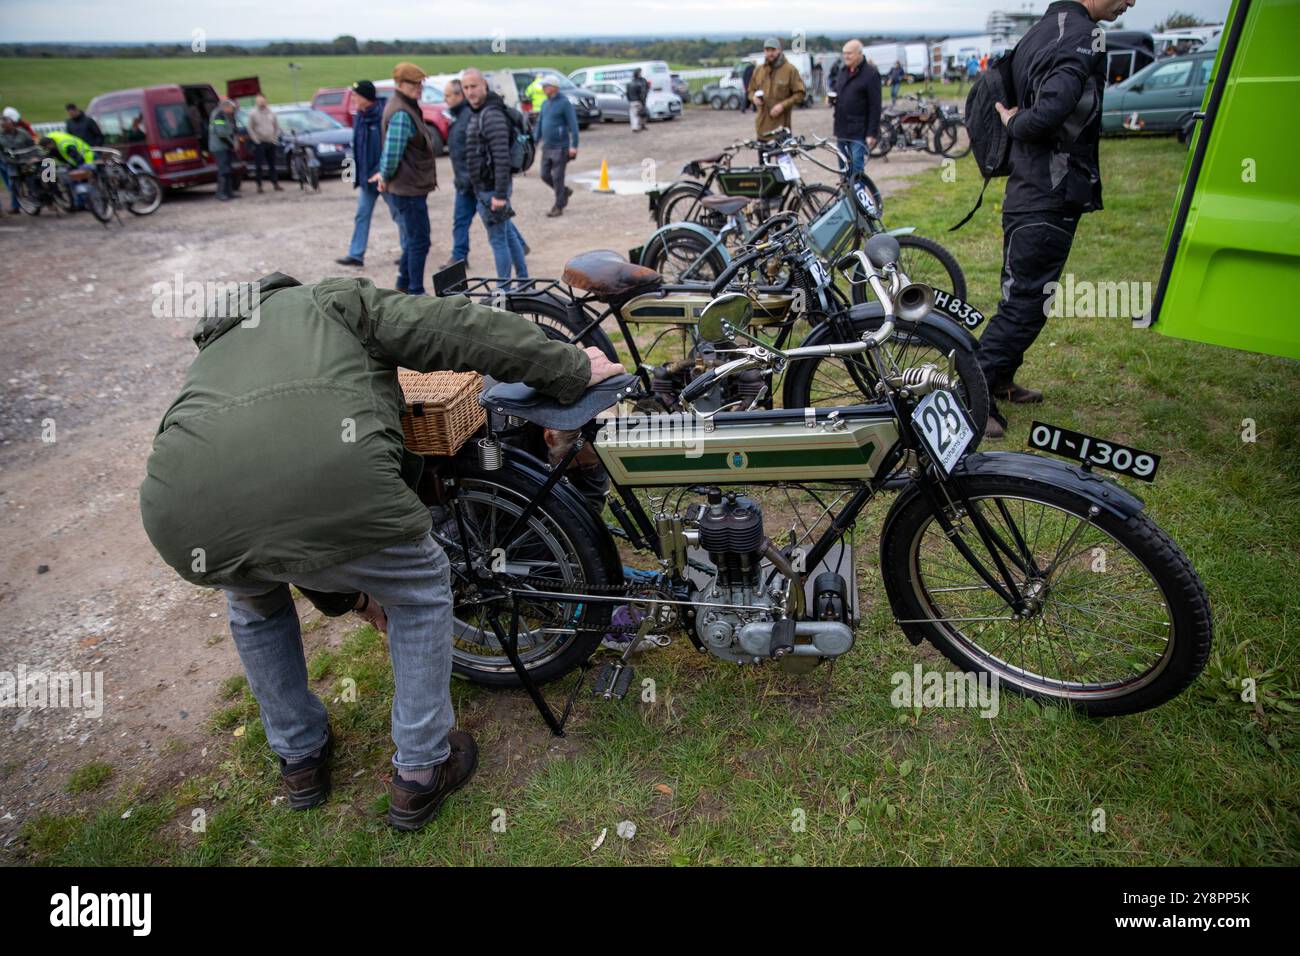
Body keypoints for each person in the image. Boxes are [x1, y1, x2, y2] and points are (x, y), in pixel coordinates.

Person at [139, 274, 625, 831]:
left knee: (254, 603)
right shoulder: (331, 302)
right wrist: (569, 367)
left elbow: (278, 516)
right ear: (285, 288)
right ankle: (420, 771)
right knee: (419, 594)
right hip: (330, 482)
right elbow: (454, 328)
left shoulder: (218, 347)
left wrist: (348, 595)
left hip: (187, 511)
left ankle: (300, 759)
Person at [978, 0, 1130, 439]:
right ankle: (974, 392)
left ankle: (1000, 379)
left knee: (1026, 296)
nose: (1131, 2)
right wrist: (1012, 122)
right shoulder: (1079, 33)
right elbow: (1045, 115)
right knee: (1025, 302)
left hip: (1033, 191)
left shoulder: (1045, 27)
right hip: (1045, 194)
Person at [370, 62, 438, 296]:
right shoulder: (401, 112)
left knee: (413, 240)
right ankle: (416, 291)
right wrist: (385, 176)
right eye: (413, 83)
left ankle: (403, 283)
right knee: (420, 242)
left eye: (420, 83)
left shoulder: (406, 106)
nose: (419, 88)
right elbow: (391, 153)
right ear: (399, 84)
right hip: (407, 189)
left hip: (410, 187)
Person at [463, 67, 528, 286]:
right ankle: (523, 282)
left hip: (492, 190)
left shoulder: (491, 115)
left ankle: (505, 291)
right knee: (508, 234)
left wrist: (499, 195)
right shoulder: (482, 111)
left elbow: (502, 158)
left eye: (474, 86)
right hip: (488, 188)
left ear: (485, 86)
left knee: (498, 240)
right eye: (465, 87)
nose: (470, 92)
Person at [336, 80, 405, 269]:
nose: (354, 99)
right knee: (362, 214)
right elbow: (358, 147)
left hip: (383, 176)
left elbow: (389, 149)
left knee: (398, 214)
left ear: (366, 98)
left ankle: (409, 250)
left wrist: (382, 172)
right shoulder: (359, 117)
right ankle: (356, 254)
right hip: (367, 178)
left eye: (357, 96)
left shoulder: (384, 116)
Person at [438, 77, 476, 272]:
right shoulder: (458, 116)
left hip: (474, 182)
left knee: (497, 222)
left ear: (459, 95)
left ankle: (518, 247)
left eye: (448, 95)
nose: (445, 99)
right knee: (460, 220)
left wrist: (470, 178)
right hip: (463, 182)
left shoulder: (468, 116)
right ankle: (459, 256)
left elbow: (472, 152)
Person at [831, 39, 881, 176]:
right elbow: (838, 92)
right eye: (844, 53)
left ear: (859, 54)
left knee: (856, 169)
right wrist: (832, 99)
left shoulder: (870, 74)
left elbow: (875, 106)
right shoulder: (842, 72)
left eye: (849, 54)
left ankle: (857, 195)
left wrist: (872, 133)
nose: (846, 56)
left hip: (859, 131)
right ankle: (845, 197)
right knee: (843, 168)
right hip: (842, 129)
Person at [748, 37, 806, 137]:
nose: (770, 53)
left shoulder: (790, 70)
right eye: (767, 50)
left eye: (773, 50)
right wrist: (753, 98)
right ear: (764, 51)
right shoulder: (758, 71)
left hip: (781, 132)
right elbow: (750, 91)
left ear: (779, 50)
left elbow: (800, 94)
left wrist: (782, 106)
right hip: (762, 131)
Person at [537, 77, 578, 218]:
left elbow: (573, 125)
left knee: (558, 178)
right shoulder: (544, 104)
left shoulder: (564, 103)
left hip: (561, 147)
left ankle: (558, 206)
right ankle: (564, 192)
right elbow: (539, 124)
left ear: (554, 87)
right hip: (547, 146)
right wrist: (534, 141)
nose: (543, 88)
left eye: (545, 86)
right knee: (544, 175)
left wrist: (574, 145)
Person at [38, 130, 95, 209]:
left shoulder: (65, 145)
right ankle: (82, 204)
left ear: (50, 144)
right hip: (74, 160)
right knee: (75, 181)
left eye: (47, 147)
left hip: (87, 157)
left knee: (80, 181)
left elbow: (78, 158)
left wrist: (77, 169)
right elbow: (48, 157)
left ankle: (90, 203)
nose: (47, 149)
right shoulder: (51, 139)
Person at [245, 94, 282, 194]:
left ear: (266, 101)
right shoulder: (252, 113)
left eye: (262, 101)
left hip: (271, 141)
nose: (261, 103)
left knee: (272, 164)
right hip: (260, 142)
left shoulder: (272, 112)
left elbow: (277, 127)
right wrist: (256, 140)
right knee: (259, 165)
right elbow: (250, 128)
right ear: (256, 102)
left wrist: (275, 138)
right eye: (259, 101)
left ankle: (275, 183)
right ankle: (259, 185)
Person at [1, 109, 35, 214]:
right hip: (8, 162)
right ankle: (16, 206)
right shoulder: (2, 137)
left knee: (32, 178)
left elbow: (32, 144)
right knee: (13, 184)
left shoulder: (23, 132)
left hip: (24, 161)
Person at [209, 98, 240, 202]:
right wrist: (231, 144)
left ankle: (229, 192)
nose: (233, 110)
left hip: (225, 147)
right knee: (223, 170)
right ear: (226, 107)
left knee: (228, 169)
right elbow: (221, 133)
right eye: (232, 108)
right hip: (219, 147)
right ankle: (220, 193)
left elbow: (231, 130)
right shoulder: (219, 115)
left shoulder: (226, 115)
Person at [626, 68, 649, 133]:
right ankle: (638, 127)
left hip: (632, 101)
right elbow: (642, 93)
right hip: (638, 101)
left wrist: (629, 100)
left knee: (634, 115)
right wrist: (642, 101)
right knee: (640, 114)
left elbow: (627, 93)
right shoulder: (640, 84)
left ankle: (636, 127)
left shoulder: (629, 84)